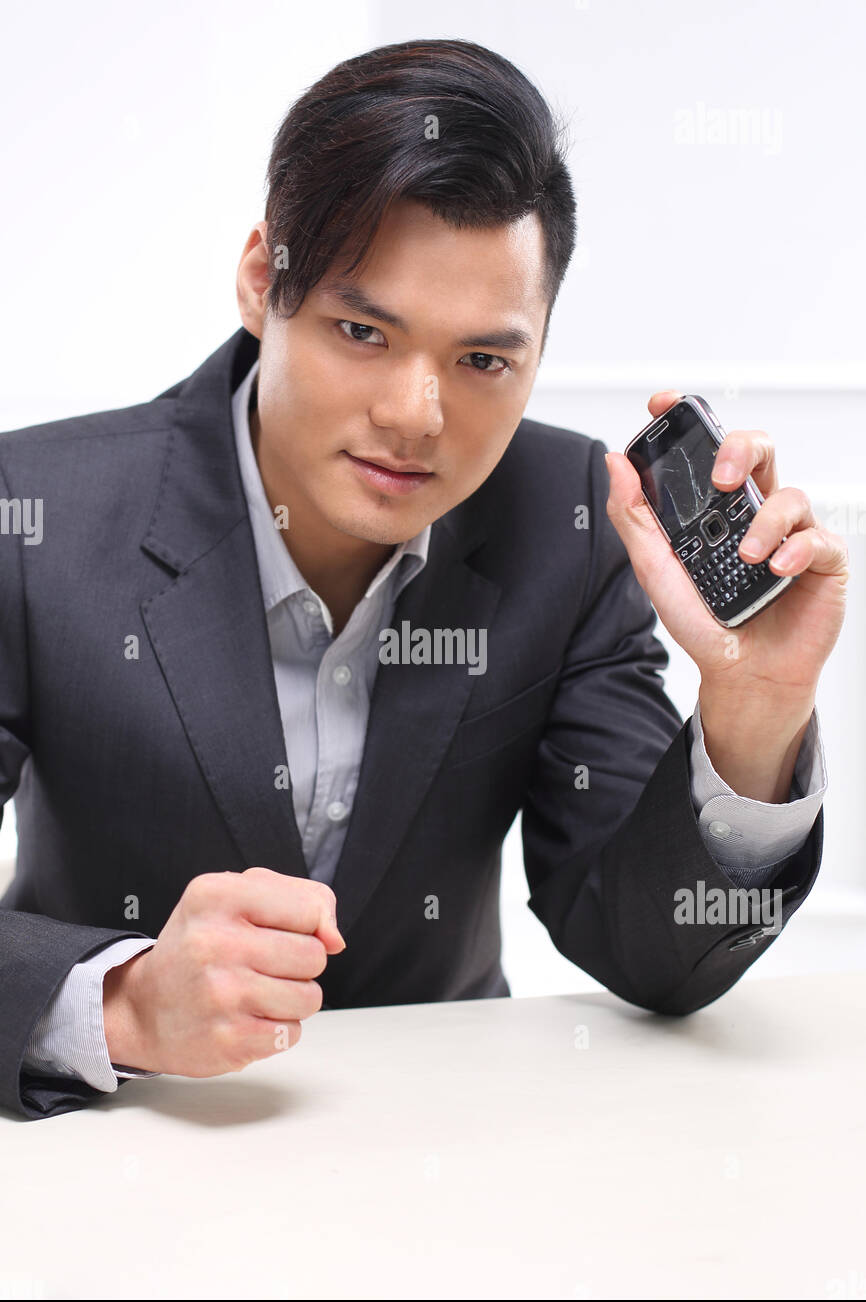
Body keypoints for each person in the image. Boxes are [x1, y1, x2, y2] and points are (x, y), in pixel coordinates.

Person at [0, 39, 845, 1121]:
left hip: (442, 1159)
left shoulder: (569, 523)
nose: (416, 415)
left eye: (482, 360)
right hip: (120, 1144)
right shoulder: (39, 515)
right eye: (363, 331)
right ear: (263, 281)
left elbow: (646, 949)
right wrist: (116, 1001)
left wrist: (750, 706)